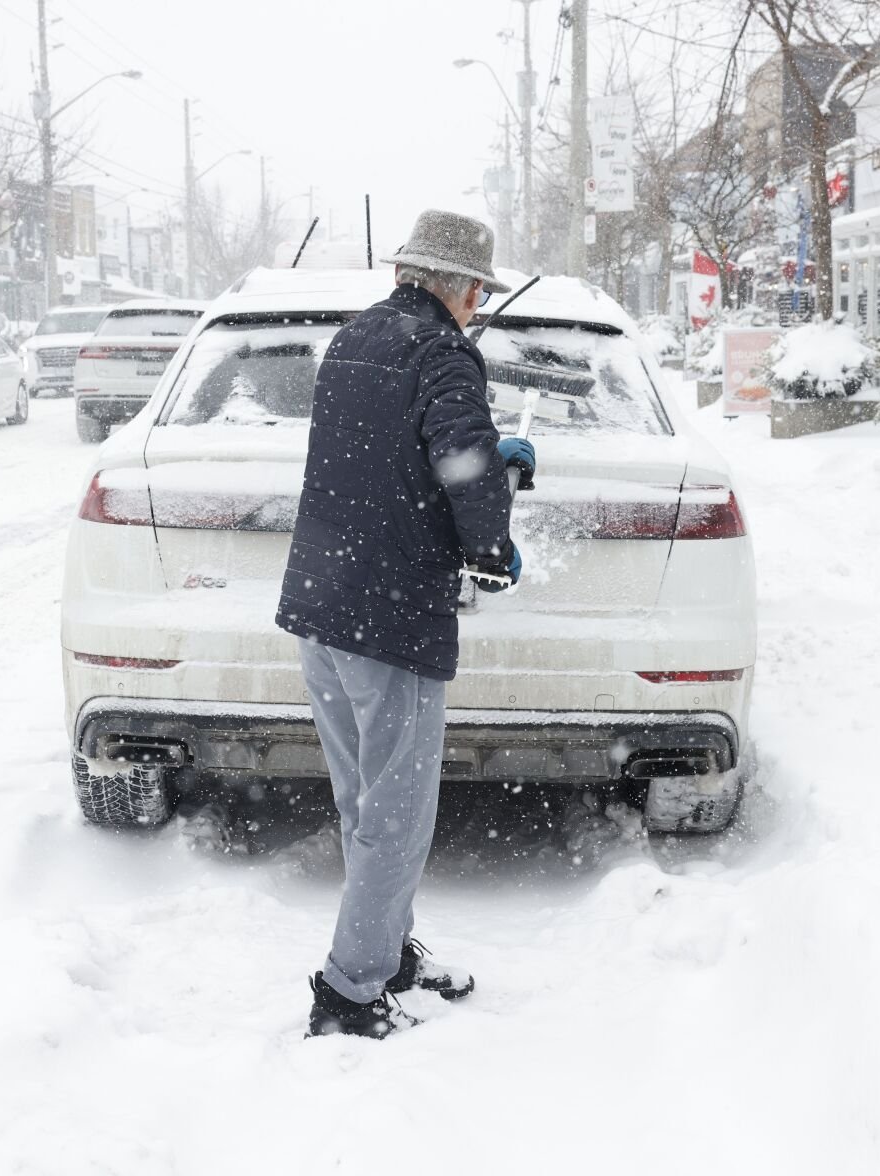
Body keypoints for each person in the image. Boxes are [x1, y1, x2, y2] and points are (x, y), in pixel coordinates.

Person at [275, 210, 536, 1039]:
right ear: (460, 287)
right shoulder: (441, 350)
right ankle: (350, 993)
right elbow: (456, 459)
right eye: (477, 296)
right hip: (387, 614)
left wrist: (491, 460)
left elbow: (392, 452)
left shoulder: (354, 339)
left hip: (323, 600)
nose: (475, 310)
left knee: (363, 800)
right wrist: (490, 541)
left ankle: (383, 951)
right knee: (398, 813)